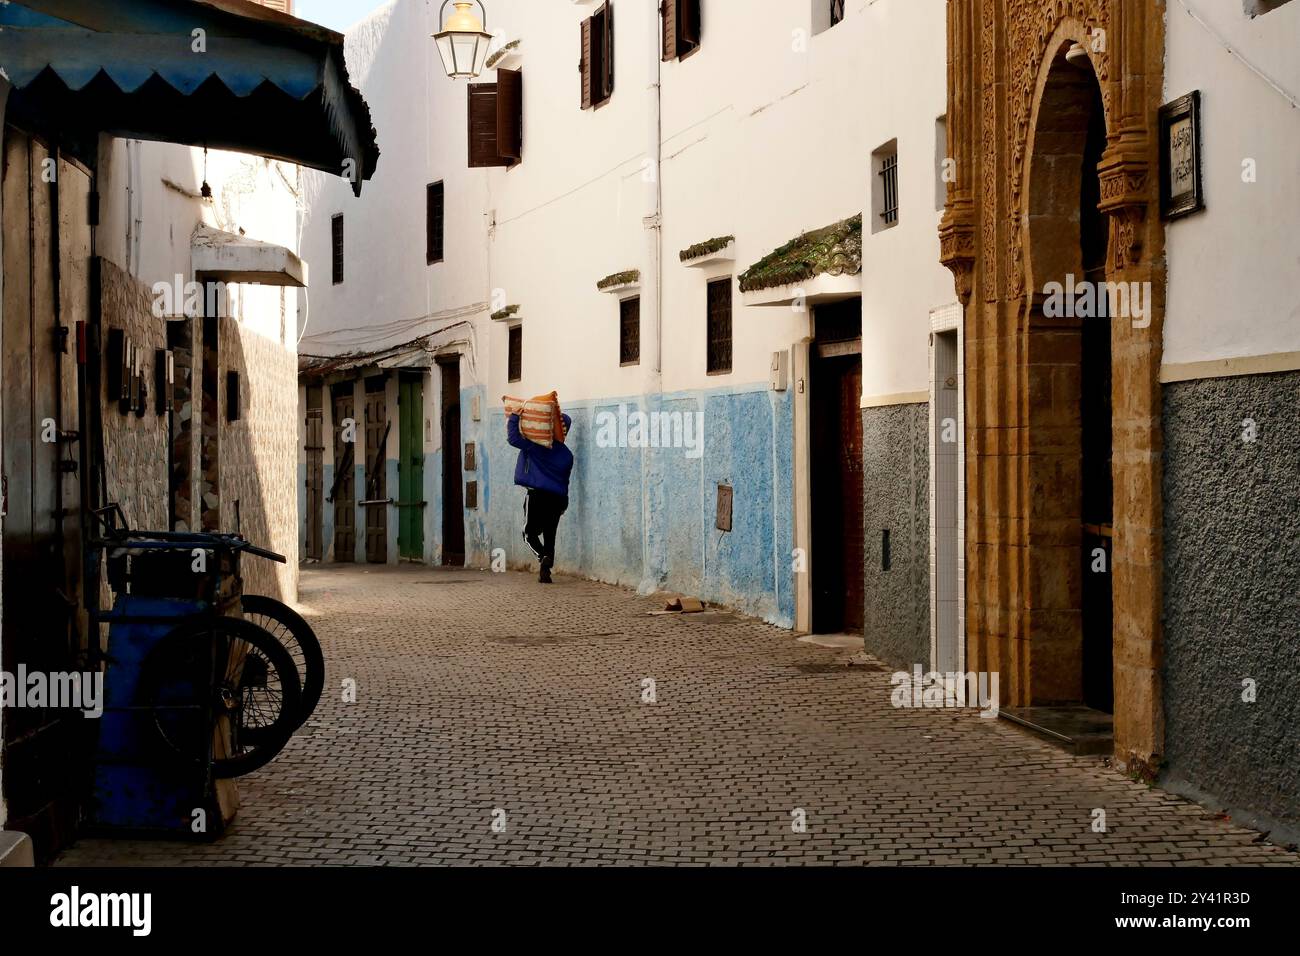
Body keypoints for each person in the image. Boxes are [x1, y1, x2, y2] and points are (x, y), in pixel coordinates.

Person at [506, 409, 574, 584]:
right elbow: (565, 481)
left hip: (537, 495)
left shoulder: (537, 445)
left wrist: (515, 417)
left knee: (528, 533)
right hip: (558, 498)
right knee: (550, 533)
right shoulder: (567, 455)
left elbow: (513, 439)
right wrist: (564, 503)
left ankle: (542, 556)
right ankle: (545, 571)